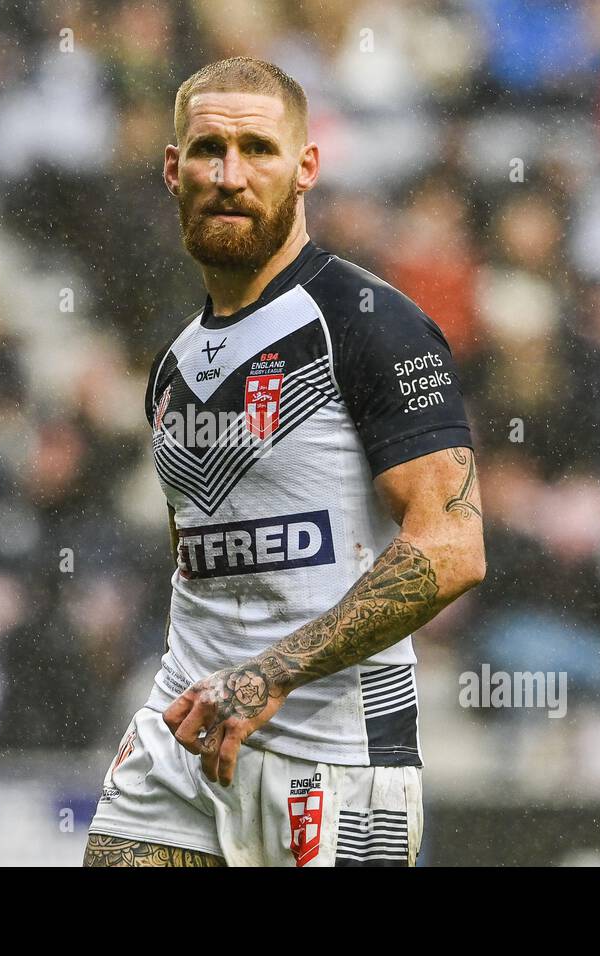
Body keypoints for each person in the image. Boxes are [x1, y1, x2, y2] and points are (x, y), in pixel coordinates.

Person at [84, 57, 485, 867]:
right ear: (173, 169)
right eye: (208, 150)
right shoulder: (174, 362)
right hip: (185, 738)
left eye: (258, 150)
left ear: (305, 169)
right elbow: (198, 561)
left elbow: (451, 546)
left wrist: (272, 673)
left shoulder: (372, 322)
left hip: (338, 760)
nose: (231, 175)